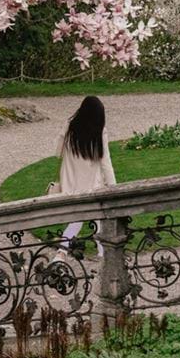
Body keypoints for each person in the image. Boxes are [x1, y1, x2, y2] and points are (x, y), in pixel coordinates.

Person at [52, 95, 116, 253]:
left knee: (78, 221)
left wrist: (64, 130)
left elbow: (57, 152)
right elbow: (105, 162)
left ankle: (61, 253)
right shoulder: (99, 132)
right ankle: (103, 256)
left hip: (70, 184)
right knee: (98, 222)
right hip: (91, 187)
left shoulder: (70, 126)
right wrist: (114, 187)